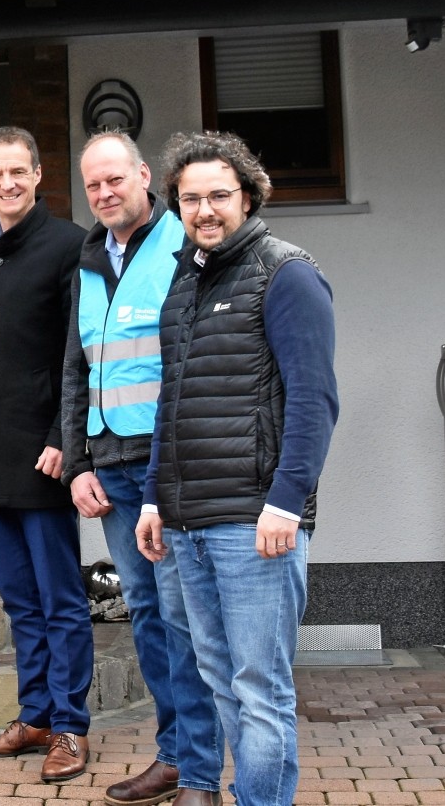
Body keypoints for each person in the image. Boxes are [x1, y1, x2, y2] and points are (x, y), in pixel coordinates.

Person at [137, 131, 338, 806]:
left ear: (248, 195)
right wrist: (151, 499)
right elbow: (173, 402)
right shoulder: (185, 281)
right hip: (187, 524)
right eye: (190, 198)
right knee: (222, 682)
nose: (204, 210)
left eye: (219, 195)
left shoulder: (287, 272)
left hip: (256, 524)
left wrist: (287, 502)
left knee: (262, 690)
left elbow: (315, 399)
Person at [61, 131, 224, 805]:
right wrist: (77, 462)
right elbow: (77, 365)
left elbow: (191, 365)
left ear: (144, 177)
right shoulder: (89, 255)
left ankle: (201, 766)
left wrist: (163, 472)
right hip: (113, 469)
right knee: (151, 618)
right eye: (93, 184)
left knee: (187, 620)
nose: (103, 194)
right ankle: (175, 756)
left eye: (114, 181)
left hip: (171, 470)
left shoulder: (183, 245)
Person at [0, 127, 93, 783]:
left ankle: (69, 726)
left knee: (61, 599)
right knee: (18, 599)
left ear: (37, 175)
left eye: (17, 172)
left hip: (44, 453)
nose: (6, 184)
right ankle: (34, 716)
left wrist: (65, 439)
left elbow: (78, 352)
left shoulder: (69, 246)